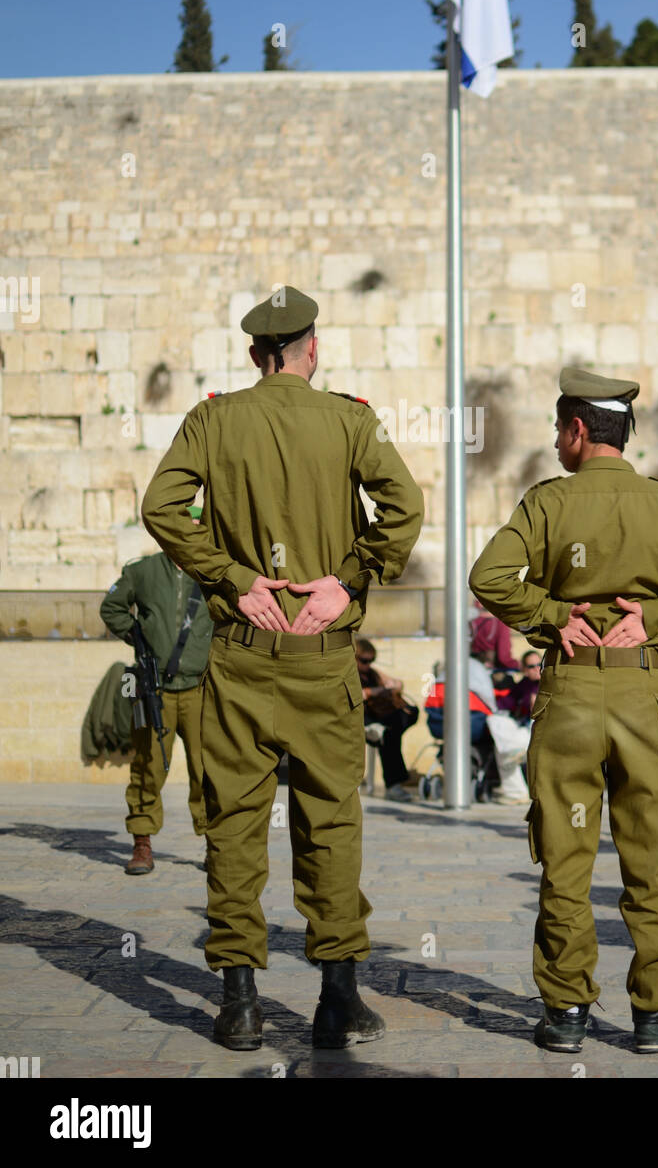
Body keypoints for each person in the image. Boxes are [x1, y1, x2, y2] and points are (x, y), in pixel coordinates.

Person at [140, 286, 423, 1051]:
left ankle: (238, 1003)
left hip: (238, 659)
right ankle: (337, 1000)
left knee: (233, 823)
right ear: (312, 348)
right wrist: (348, 577)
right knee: (329, 821)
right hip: (323, 661)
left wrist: (232, 578)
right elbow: (404, 507)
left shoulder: (213, 419)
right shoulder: (349, 420)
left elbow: (162, 508)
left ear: (255, 353)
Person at [469, 366, 658, 1056]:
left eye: (556, 429)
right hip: (641, 699)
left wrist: (553, 616)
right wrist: (657, 615)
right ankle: (654, 1015)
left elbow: (488, 578)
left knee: (565, 863)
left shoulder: (546, 505)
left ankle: (565, 1011)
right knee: (649, 864)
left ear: (574, 430)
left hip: (568, 698)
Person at [99, 506, 213, 875]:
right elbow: (112, 608)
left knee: (209, 769)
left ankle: (217, 844)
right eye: (186, 526)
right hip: (154, 690)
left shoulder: (215, 573)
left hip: (200, 688)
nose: (191, 532)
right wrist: (139, 639)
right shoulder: (143, 572)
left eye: (199, 527)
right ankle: (143, 842)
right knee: (147, 766)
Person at [355, 637, 419, 802]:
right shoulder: (349, 673)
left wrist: (389, 686)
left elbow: (396, 683)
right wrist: (375, 691)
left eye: (371, 660)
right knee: (390, 736)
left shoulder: (372, 673)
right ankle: (394, 784)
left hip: (378, 718)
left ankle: (395, 783)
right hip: (359, 719)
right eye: (364, 660)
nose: (368, 664)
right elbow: (357, 696)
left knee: (402, 721)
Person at [469, 600, 520, 670]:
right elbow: (503, 658)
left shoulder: (469, 620)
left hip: (470, 667)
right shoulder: (500, 623)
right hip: (491, 670)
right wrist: (519, 665)